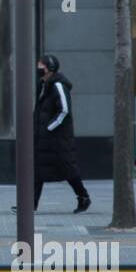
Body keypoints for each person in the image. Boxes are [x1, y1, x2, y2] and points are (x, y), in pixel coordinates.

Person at [24, 54, 92, 214]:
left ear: (49, 68)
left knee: (68, 168)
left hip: (57, 138)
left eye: (40, 65)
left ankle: (83, 197)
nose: (38, 68)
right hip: (44, 138)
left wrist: (49, 128)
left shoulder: (58, 86)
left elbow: (64, 110)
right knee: (37, 170)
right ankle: (30, 204)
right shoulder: (44, 84)